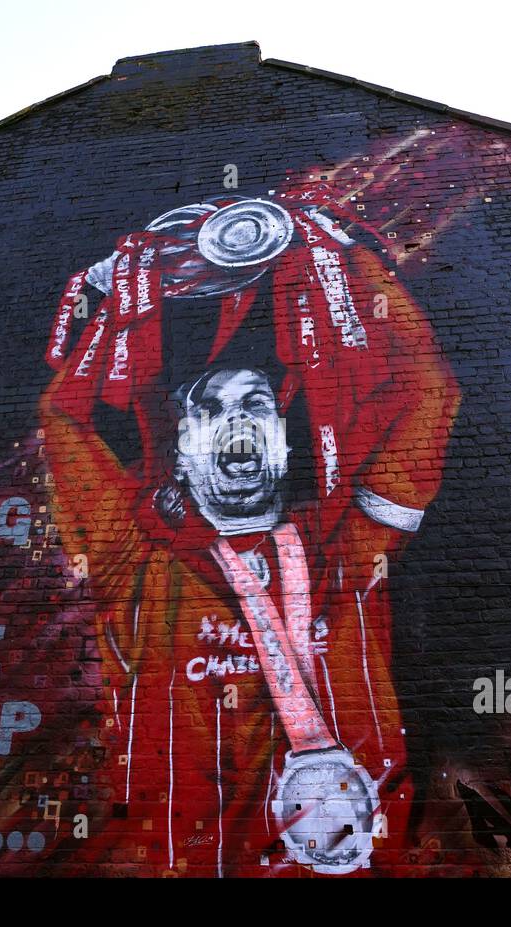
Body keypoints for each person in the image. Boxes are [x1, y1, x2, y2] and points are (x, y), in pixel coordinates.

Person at [39, 193, 458, 876]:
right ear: (179, 447)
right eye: (211, 409)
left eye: (257, 405)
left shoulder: (348, 550)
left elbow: (429, 390)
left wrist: (339, 253)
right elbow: (64, 417)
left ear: (284, 445)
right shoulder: (134, 559)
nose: (238, 420)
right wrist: (121, 305)